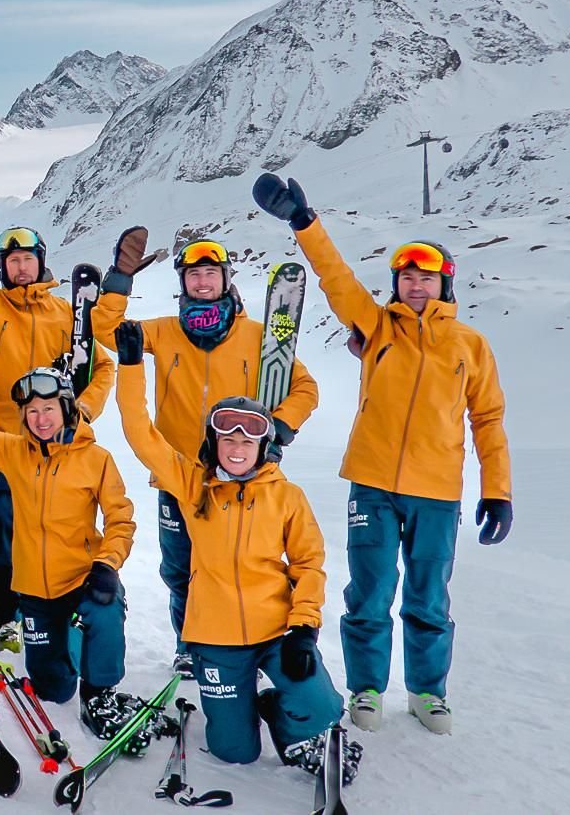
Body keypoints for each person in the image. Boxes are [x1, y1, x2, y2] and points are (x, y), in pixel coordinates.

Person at [254, 173, 512, 735]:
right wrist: (305, 221)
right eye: (405, 277)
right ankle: (365, 688)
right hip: (372, 483)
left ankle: (427, 693)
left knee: (428, 599)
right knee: (368, 593)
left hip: (437, 493)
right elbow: (335, 278)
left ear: (446, 286)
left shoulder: (470, 346)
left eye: (426, 277)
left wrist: (498, 490)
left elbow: (487, 419)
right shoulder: (376, 328)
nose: (415, 286)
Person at [114, 319, 360, 783]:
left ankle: (290, 723)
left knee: (319, 704)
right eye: (228, 438)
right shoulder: (192, 487)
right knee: (234, 753)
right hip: (216, 636)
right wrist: (130, 366)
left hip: (275, 631)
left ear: (263, 446)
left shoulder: (286, 496)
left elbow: (309, 566)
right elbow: (139, 432)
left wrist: (303, 627)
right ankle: (249, 708)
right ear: (214, 444)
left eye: (248, 440)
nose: (237, 447)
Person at [90, 226, 320, 678]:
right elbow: (104, 331)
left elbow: (304, 387)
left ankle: (249, 645)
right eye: (193, 275)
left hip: (240, 478)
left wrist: (276, 428)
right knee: (180, 569)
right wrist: (119, 280)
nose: (201, 282)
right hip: (178, 473)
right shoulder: (164, 331)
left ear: (226, 278)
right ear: (182, 283)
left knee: (239, 566)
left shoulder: (258, 336)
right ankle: (188, 643)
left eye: (210, 273)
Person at [0, 176, 113, 650]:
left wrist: (84, 410)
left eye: (28, 258)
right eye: (13, 260)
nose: (21, 266)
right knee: (3, 525)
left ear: (41, 262)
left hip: (59, 445)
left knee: (61, 529)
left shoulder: (65, 313)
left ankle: (61, 605)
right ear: (4, 267)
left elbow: (102, 366)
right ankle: (5, 615)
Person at [0, 366, 140, 737]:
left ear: (66, 407)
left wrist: (107, 564)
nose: (41, 419)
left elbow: (121, 519)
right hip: (35, 591)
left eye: (49, 408)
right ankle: (68, 647)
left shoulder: (96, 459)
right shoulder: (14, 451)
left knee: (105, 607)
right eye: (32, 411)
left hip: (83, 579)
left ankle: (99, 691)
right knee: (52, 689)